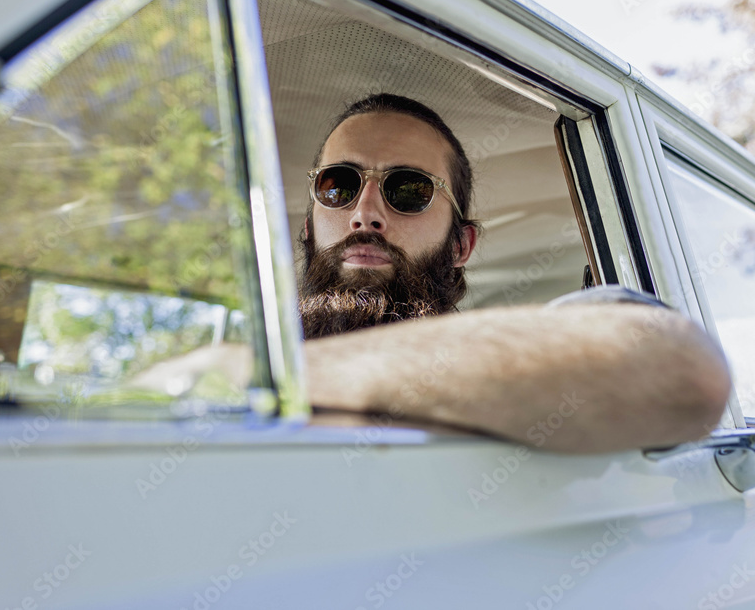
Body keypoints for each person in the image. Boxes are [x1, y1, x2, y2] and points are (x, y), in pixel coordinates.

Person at [299, 94, 732, 454]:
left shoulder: (509, 390)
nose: (364, 214)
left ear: (459, 246)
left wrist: (275, 381)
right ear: (307, 225)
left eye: (409, 190)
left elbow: (685, 370)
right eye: (337, 185)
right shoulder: (240, 352)